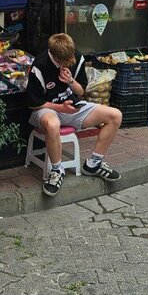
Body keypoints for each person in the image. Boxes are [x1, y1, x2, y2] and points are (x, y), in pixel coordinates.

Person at [27, 33, 122, 197]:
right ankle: (56, 170)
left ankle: (93, 163)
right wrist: (59, 107)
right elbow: (34, 103)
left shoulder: (76, 57)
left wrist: (71, 81)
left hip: (72, 107)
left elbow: (81, 91)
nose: (69, 63)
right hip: (46, 109)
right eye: (65, 62)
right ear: (55, 57)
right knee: (52, 124)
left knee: (115, 115)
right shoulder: (40, 65)